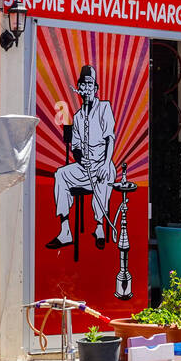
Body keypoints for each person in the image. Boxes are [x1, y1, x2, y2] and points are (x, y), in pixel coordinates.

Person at [48, 65, 116, 250]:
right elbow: (76, 146)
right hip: (85, 168)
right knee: (61, 174)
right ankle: (65, 231)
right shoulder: (78, 117)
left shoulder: (104, 107)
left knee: (104, 176)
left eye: (90, 84)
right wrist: (80, 159)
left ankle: (100, 226)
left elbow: (110, 138)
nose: (86, 88)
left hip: (103, 164)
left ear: (95, 88)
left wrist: (106, 163)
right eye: (83, 84)